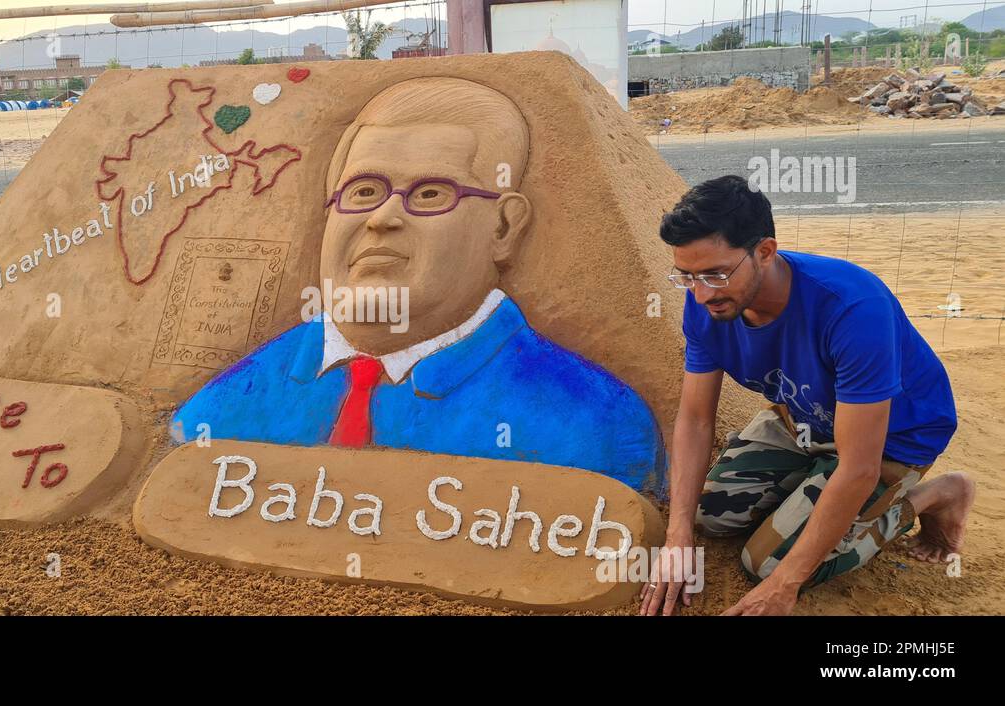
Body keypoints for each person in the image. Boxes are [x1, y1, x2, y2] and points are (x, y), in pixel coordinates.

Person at [171, 77, 663, 489]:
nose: (382, 218)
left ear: (504, 228)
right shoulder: (221, 411)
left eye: (430, 193)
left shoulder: (596, 429)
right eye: (363, 191)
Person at [642, 175, 974, 616]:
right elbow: (695, 419)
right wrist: (677, 536)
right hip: (802, 418)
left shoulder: (853, 308)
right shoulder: (708, 301)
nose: (702, 294)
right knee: (709, 517)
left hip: (893, 438)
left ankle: (931, 497)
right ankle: (808, 492)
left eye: (716, 274)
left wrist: (784, 586)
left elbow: (857, 467)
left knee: (766, 564)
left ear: (765, 252)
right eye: (686, 277)